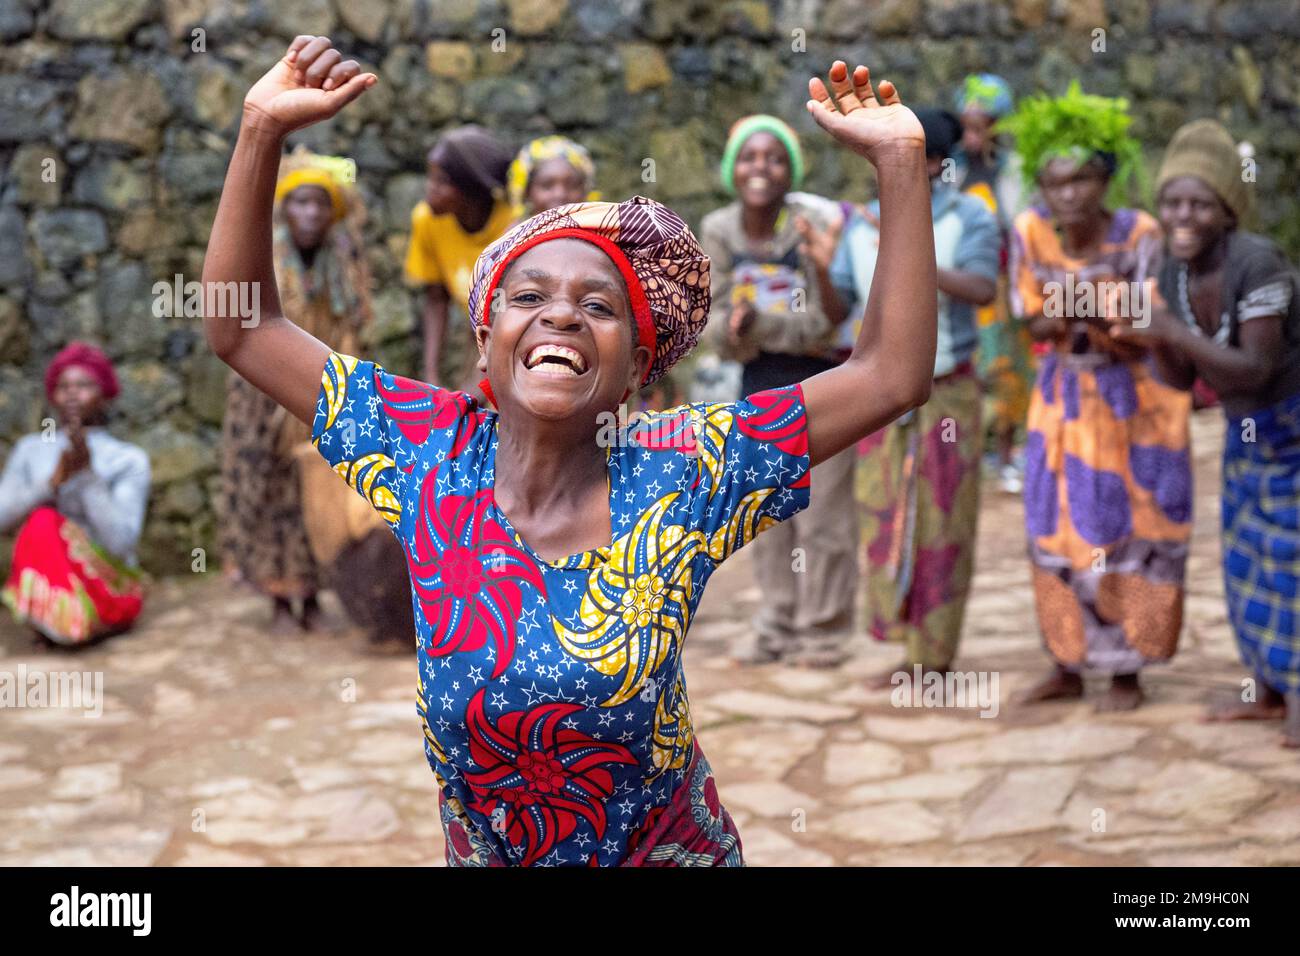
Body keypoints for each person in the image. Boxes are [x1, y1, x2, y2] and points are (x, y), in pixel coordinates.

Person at [203, 37, 936, 866]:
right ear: (486, 349)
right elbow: (243, 326)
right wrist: (261, 128)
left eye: (599, 304)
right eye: (528, 296)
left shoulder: (686, 469)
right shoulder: (424, 451)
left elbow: (889, 376)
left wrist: (903, 165)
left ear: (632, 372)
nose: (561, 314)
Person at [1110, 119, 1300, 746]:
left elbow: (1256, 367)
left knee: (1292, 559)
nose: (1181, 215)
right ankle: (1269, 687)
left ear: (1227, 210)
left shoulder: (1259, 263)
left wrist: (1167, 330)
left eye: (1198, 203)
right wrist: (1143, 340)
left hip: (1290, 424)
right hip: (1248, 432)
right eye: (1171, 202)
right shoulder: (1173, 270)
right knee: (1246, 556)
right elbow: (1184, 383)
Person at [1001, 83, 1190, 712]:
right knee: (1052, 528)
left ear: (1105, 180)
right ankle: (1067, 662)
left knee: (1128, 528)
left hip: (1131, 403)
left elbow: (1145, 326)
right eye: (1056, 184)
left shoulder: (1141, 233)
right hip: (1060, 401)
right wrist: (1099, 300)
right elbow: (1033, 321)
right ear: (1042, 189)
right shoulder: (1030, 232)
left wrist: (1082, 307)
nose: (1069, 194)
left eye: (1082, 179)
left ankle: (1128, 668)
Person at [833, 108, 1000, 687]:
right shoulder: (857, 225)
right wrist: (815, 256)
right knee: (882, 513)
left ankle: (934, 657)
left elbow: (983, 288)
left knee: (943, 520)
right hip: (876, 397)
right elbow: (840, 305)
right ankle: (904, 643)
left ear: (933, 163)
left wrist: (912, 257)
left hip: (947, 393)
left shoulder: (970, 215)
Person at [700, 114, 858, 668]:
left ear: (791, 169)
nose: (760, 167)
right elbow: (713, 331)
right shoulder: (718, 230)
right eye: (749, 156)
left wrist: (757, 329)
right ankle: (776, 626)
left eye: (773, 157)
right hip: (759, 395)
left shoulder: (810, 225)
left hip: (827, 387)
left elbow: (824, 326)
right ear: (732, 168)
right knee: (765, 516)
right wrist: (736, 331)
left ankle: (826, 632)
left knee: (826, 519)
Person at [219, 148, 376, 635]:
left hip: (321, 388)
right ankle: (279, 598)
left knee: (319, 485)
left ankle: (311, 594)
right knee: (269, 489)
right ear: (285, 208)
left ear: (332, 213)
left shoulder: (345, 265)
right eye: (300, 203)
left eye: (319, 204)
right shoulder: (263, 256)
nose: (310, 213)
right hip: (262, 394)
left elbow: (353, 326)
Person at [0, 343, 149, 645]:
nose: (71, 393)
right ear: (52, 395)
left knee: (45, 521)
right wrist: (51, 484)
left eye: (84, 385)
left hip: (109, 586)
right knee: (43, 521)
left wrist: (87, 476)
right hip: (52, 579)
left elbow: (121, 544)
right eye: (63, 386)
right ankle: (63, 621)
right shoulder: (30, 450)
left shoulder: (128, 458)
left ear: (105, 393)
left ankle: (79, 621)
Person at [952, 74, 1035, 494]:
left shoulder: (1015, 173)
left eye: (980, 125)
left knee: (1007, 368)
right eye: (966, 125)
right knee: (972, 367)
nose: (972, 134)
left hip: (1003, 285)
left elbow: (1020, 226)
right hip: (962, 285)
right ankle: (973, 450)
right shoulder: (954, 170)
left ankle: (1005, 452)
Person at [405, 125, 514, 388]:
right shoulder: (428, 220)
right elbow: (436, 298)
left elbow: (506, 314)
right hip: (477, 342)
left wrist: (479, 386)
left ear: (472, 191)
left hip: (511, 342)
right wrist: (430, 376)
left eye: (441, 182)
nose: (429, 189)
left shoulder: (511, 226)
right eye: (430, 178)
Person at [506, 135, 598, 219]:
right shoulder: (514, 235)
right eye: (546, 185)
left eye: (572, 185)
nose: (560, 194)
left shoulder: (604, 231)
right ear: (527, 192)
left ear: (585, 189)